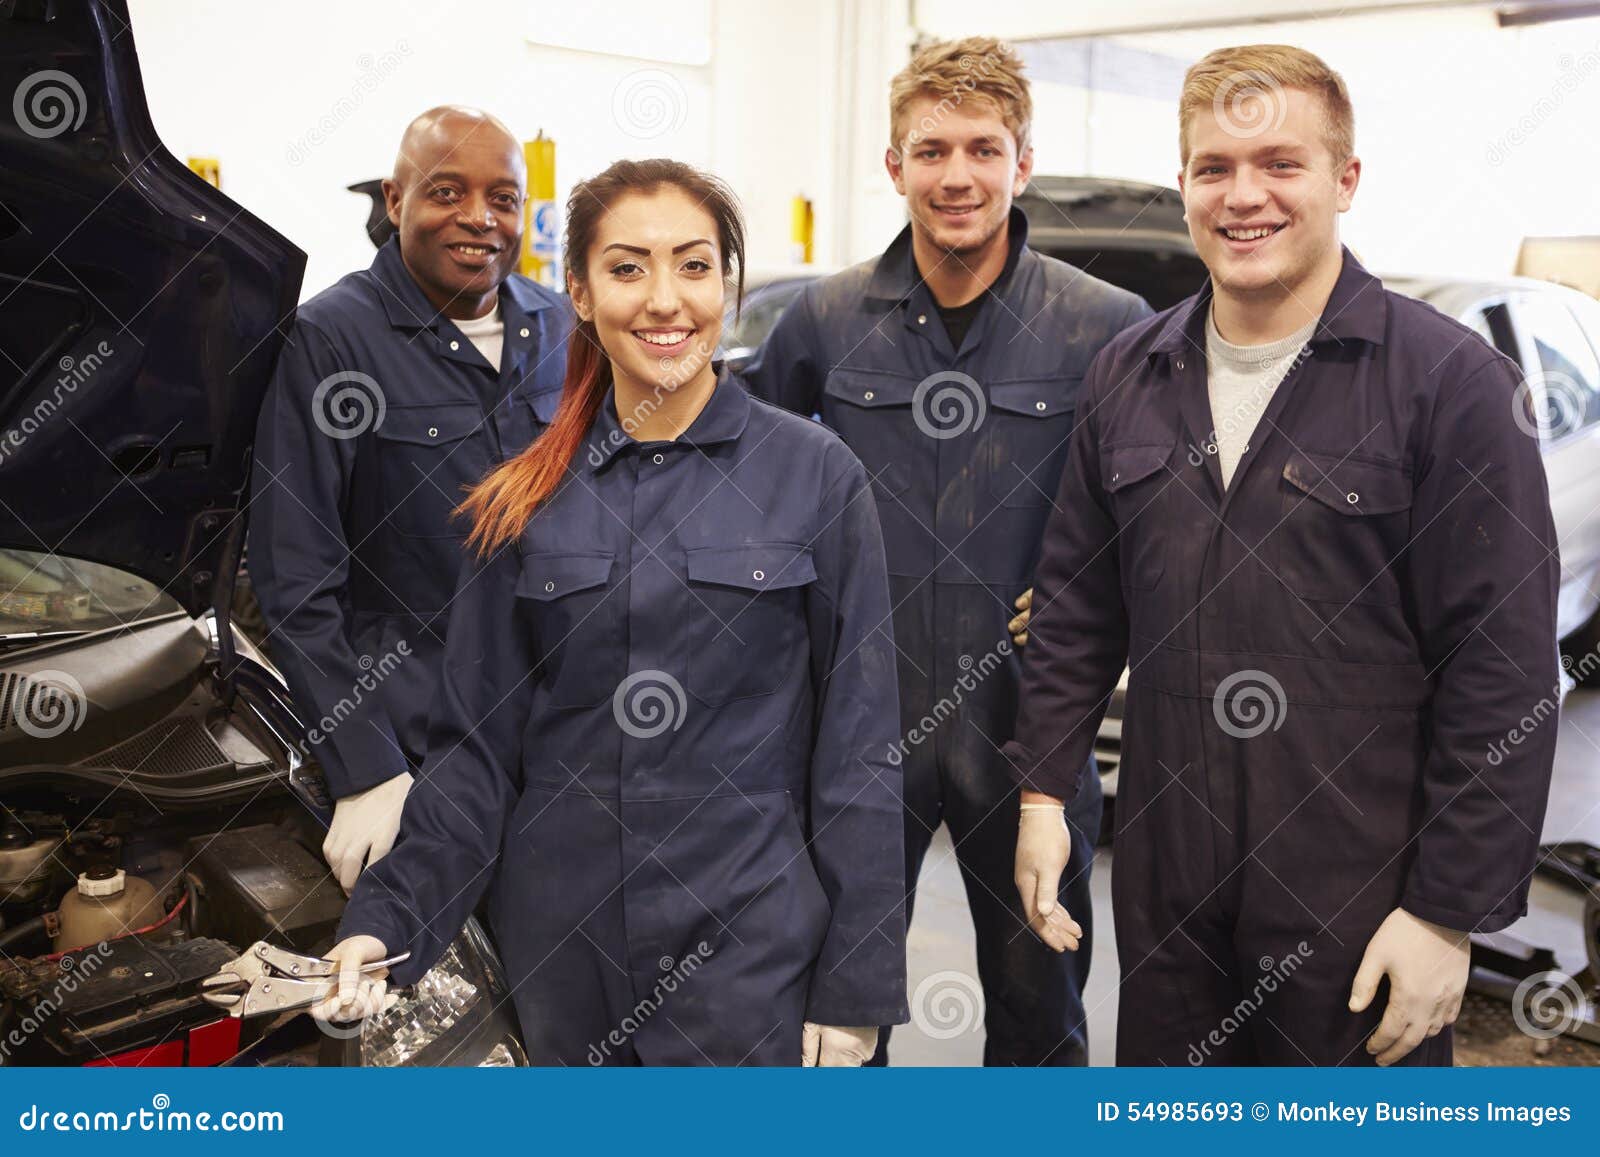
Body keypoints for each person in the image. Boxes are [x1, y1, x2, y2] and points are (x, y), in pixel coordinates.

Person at [1006, 44, 1559, 1066]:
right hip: (1169, 877)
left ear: (1345, 180)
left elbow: (1502, 669)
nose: (1242, 195)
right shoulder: (1131, 372)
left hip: (1356, 882)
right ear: (1183, 185)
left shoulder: (1447, 386)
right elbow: (1078, 608)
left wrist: (1445, 912)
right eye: (1213, 168)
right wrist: (1043, 793)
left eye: (1279, 164)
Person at [317, 159, 909, 1066]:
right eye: (629, 268)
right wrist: (384, 922)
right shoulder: (520, 496)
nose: (665, 300)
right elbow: (474, 755)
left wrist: (857, 981)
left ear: (729, 286)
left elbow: (860, 748)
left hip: (746, 939)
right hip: (561, 945)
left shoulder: (816, 476)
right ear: (582, 295)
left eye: (695, 266)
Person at [744, 37, 1149, 1065]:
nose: (956, 175)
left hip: (1029, 732)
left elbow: (1152, 519)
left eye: (982, 148)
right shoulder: (825, 323)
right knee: (837, 1016)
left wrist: (1094, 593)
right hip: (855, 730)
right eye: (930, 150)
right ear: (893, 166)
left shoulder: (1105, 328)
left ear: (1022, 162)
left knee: (1037, 1011)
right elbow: (746, 494)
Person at [249, 107, 569, 891]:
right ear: (396, 200)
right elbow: (294, 579)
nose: (479, 218)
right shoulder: (332, 338)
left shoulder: (560, 327)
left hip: (557, 735)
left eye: (502, 197)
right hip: (419, 749)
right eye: (447, 191)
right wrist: (364, 764)